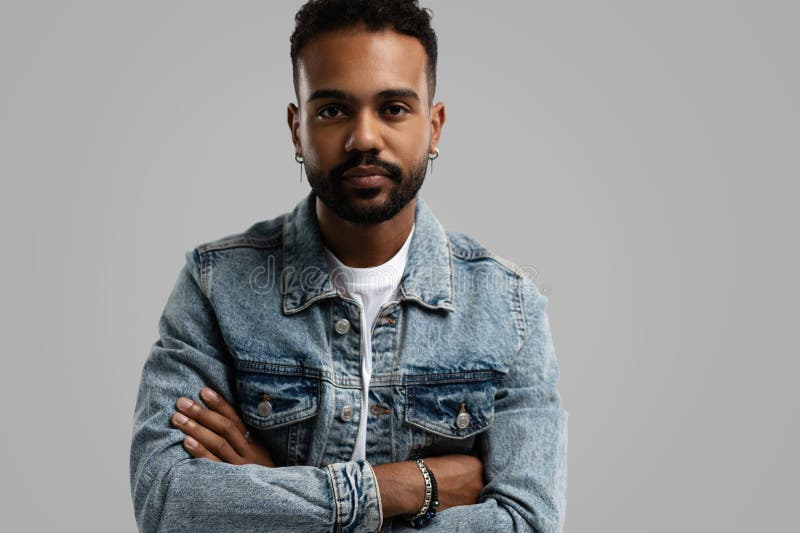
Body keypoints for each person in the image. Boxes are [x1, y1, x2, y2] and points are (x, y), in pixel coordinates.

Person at [129, 1, 567, 531]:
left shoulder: (509, 306)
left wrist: (272, 490)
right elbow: (167, 501)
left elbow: (529, 522)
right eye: (334, 110)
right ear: (297, 129)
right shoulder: (216, 286)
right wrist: (405, 487)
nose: (364, 138)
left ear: (435, 127)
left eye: (393, 108)